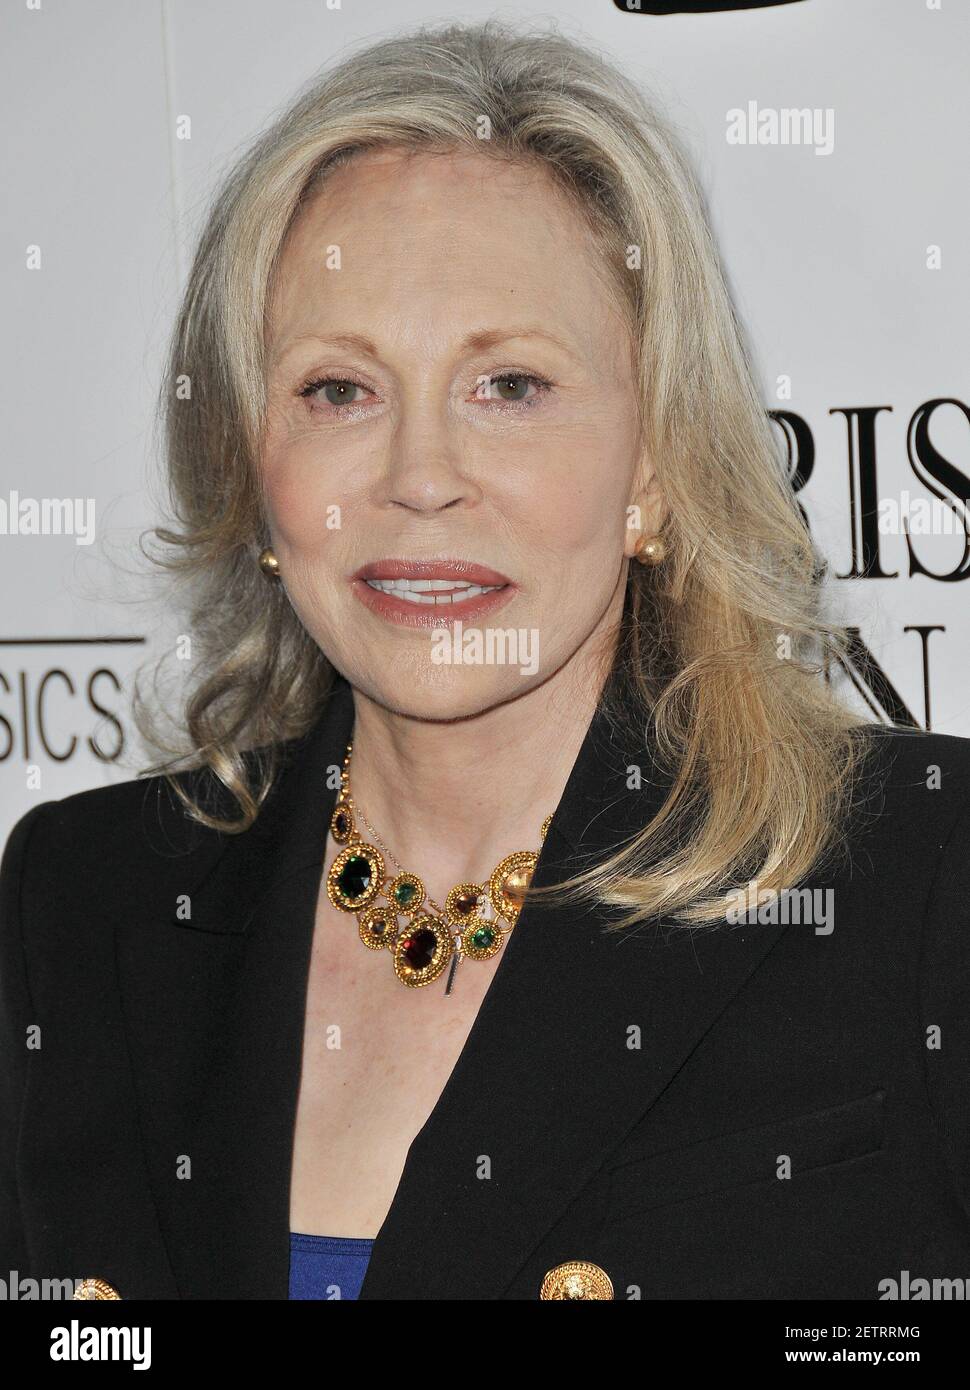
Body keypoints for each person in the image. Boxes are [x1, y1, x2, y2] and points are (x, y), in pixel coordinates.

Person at [2, 19, 968, 1303]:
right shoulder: (81, 900)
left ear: (655, 463)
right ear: (250, 464)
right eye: (337, 389)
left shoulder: (921, 878)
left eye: (509, 385)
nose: (419, 478)